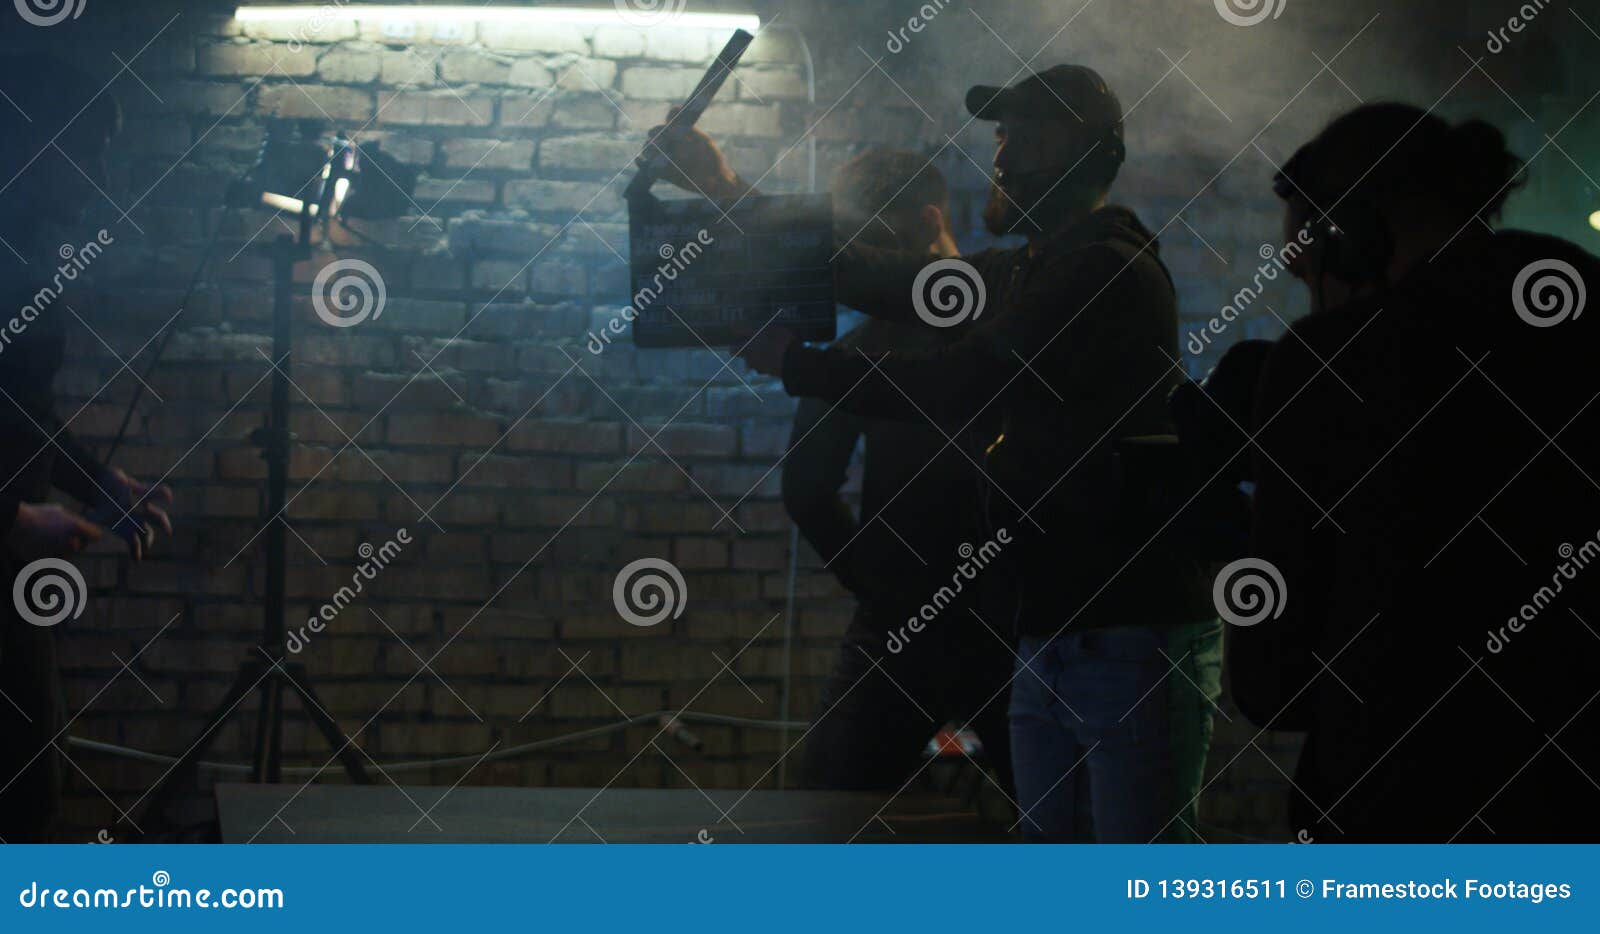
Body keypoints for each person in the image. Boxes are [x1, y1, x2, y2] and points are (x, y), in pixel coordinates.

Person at [650, 65, 1222, 842]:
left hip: (1122, 633)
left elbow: (970, 377)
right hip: (1050, 630)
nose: (1002, 150)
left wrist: (800, 364)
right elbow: (880, 280)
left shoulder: (1101, 270)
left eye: (1026, 133)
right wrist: (725, 190)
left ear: (1088, 154)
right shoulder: (1032, 270)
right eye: (1001, 131)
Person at [1232, 103, 1600, 841]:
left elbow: (1271, 682)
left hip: (1391, 801)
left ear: (1357, 236)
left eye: (1312, 266)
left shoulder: (1326, 363)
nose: (1312, 290)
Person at [785, 149, 1013, 795]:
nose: (863, 272)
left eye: (867, 250)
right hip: (1012, 619)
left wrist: (881, 585)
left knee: (826, 820)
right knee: (1070, 829)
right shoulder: (1011, 327)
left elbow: (806, 488)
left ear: (924, 221)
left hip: (902, 622)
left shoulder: (859, 351)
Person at [0, 54, 175, 842]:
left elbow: (23, 408)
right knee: (26, 796)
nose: (101, 168)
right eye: (91, 147)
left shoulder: (29, 250)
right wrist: (9, 516)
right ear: (42, 142)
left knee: (30, 786)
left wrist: (96, 479)